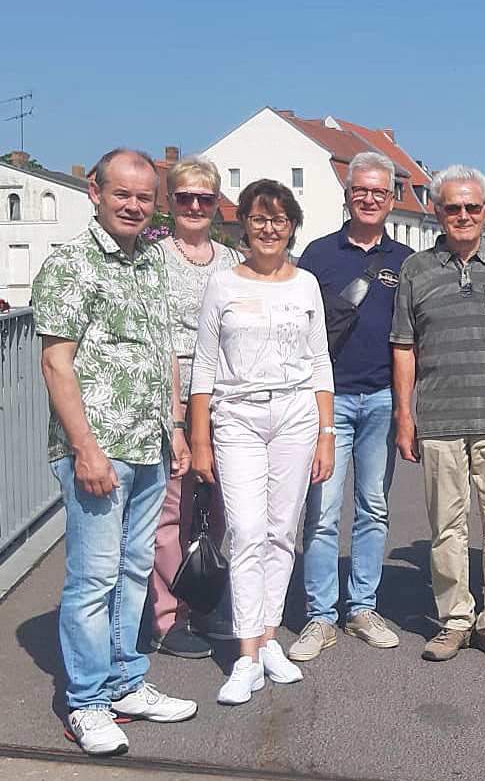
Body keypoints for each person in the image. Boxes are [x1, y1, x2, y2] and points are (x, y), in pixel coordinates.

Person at [33, 148, 197, 755]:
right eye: (121, 194)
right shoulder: (70, 265)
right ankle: (87, 701)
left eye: (143, 196)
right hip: (99, 452)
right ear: (94, 193)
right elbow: (56, 362)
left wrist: (176, 428)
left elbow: (163, 352)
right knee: (93, 578)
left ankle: (127, 681)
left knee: (132, 571)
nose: (133, 205)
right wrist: (84, 449)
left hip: (150, 444)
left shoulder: (152, 262)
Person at [391, 165, 485, 668]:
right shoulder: (416, 270)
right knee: (446, 526)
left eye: (471, 207)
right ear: (436, 211)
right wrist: (405, 416)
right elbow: (404, 348)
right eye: (452, 207)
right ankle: (455, 620)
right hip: (437, 417)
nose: (462, 215)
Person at [189, 179, 335, 705]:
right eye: (258, 219)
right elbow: (204, 365)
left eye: (278, 219)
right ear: (244, 226)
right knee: (247, 531)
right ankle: (245, 655)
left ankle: (269, 639)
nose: (268, 228)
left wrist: (325, 433)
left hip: (296, 414)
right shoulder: (224, 285)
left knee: (280, 532)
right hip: (238, 417)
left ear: (292, 225)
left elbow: (321, 362)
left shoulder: (307, 284)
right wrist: (200, 440)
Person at [290, 152, 413, 661]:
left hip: (383, 398)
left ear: (391, 199)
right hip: (329, 401)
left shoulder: (407, 261)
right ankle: (320, 617)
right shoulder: (318, 255)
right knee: (320, 512)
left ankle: (361, 607)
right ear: (347, 195)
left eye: (378, 192)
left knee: (374, 508)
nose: (368, 198)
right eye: (360, 190)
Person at [148, 155, 241, 660]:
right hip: (176, 391)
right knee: (174, 509)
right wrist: (177, 418)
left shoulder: (230, 262)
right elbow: (160, 340)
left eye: (205, 198)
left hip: (224, 394)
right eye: (186, 197)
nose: (196, 207)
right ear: (171, 202)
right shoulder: (156, 260)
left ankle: (203, 596)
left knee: (221, 506)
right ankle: (169, 616)